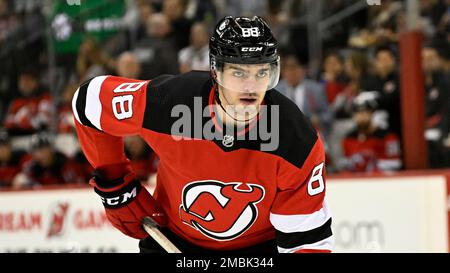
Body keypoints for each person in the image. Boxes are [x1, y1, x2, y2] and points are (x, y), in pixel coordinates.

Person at [72, 16, 333, 253]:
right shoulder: (168, 103)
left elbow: (306, 243)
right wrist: (115, 182)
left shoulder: (295, 140)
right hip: (174, 240)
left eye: (262, 72)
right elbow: (88, 101)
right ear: (215, 71)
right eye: (238, 73)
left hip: (259, 253)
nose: (251, 88)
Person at [341, 93, 402, 173]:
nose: (360, 116)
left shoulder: (388, 137)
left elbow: (394, 166)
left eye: (365, 111)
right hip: (356, 183)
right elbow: (347, 167)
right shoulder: (349, 138)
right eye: (357, 112)